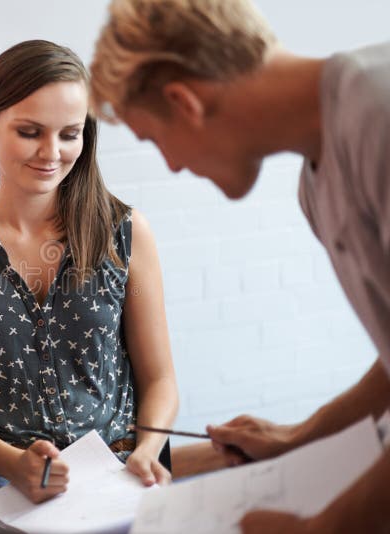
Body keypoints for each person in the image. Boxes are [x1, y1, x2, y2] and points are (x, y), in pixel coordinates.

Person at [90, 1, 390, 532]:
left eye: (156, 141)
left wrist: (324, 527)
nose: (174, 166)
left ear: (185, 103)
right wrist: (300, 436)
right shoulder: (316, 189)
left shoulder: (378, 109)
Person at [0, 39, 178, 524]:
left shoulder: (126, 231)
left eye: (70, 134)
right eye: (31, 132)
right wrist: (13, 463)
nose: (52, 153)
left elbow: (159, 378)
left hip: (115, 460)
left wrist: (148, 448)